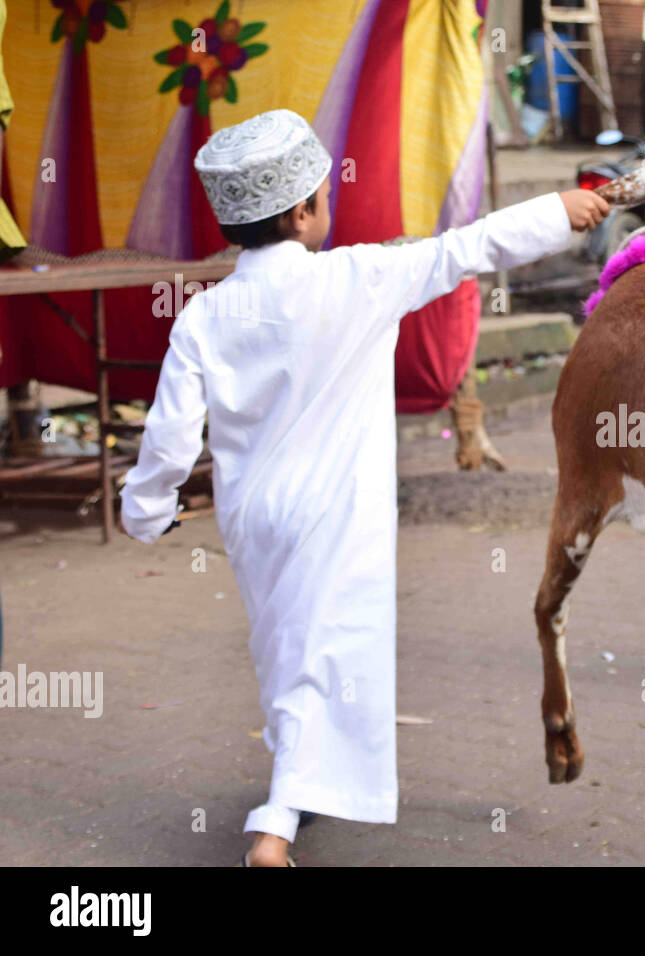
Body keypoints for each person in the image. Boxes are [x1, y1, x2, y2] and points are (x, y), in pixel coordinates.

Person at [118, 109, 608, 866]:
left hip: (255, 519)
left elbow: (171, 434)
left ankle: (299, 786)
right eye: (321, 194)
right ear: (300, 211)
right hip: (336, 514)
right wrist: (559, 214)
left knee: (286, 650)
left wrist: (146, 509)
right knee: (327, 653)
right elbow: (462, 251)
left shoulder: (206, 314)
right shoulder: (359, 276)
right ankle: (276, 826)